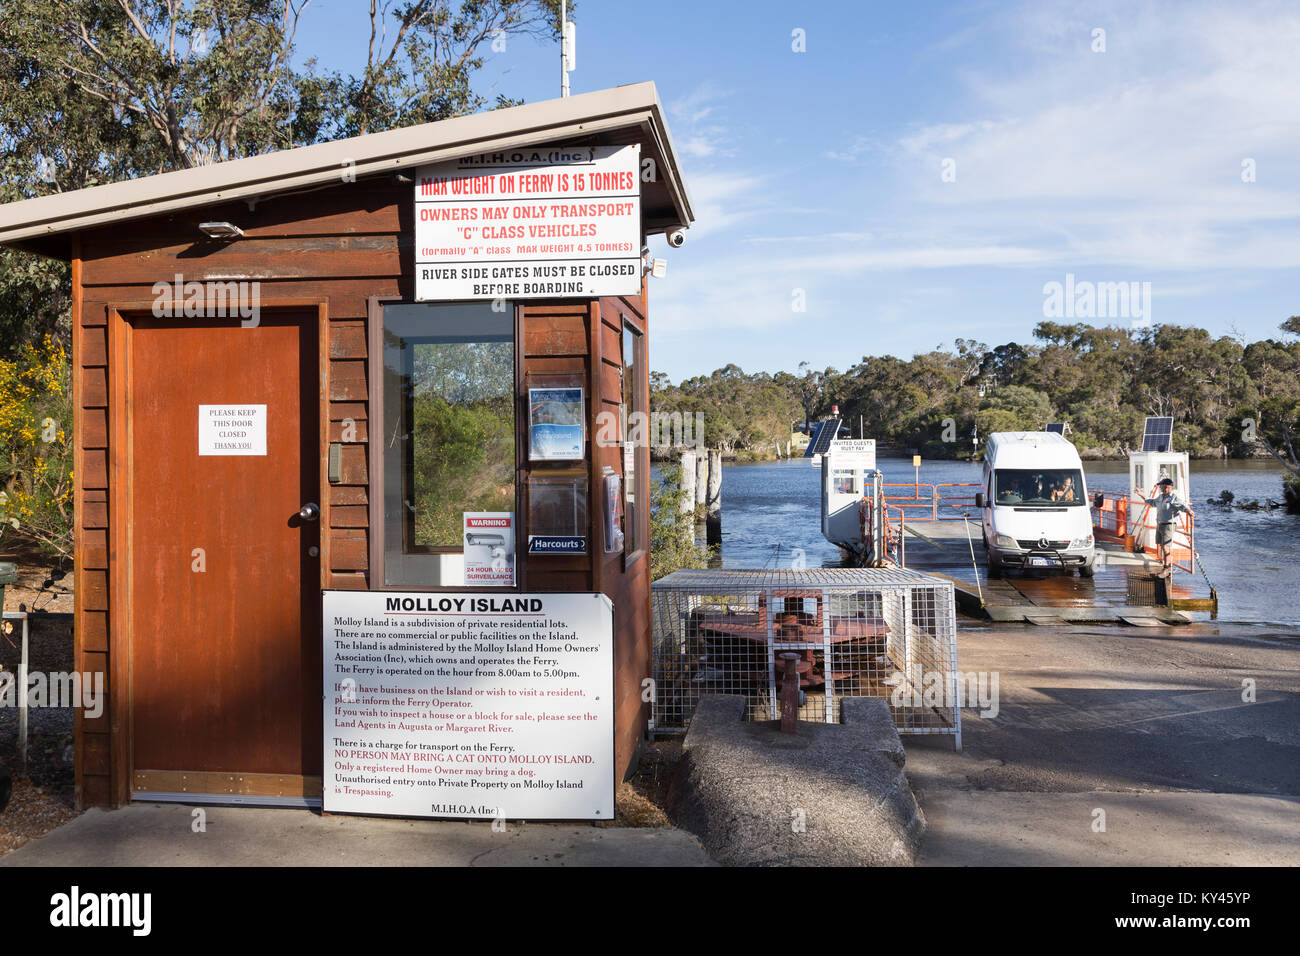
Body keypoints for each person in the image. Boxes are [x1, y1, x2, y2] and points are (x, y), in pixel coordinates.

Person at [1136, 477, 1194, 578]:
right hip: (1160, 524)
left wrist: (1189, 511)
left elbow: (1182, 506)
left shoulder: (1173, 498)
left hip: (1169, 525)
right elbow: (1151, 502)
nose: (1160, 488)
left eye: (1161, 486)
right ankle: (1165, 565)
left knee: (1166, 548)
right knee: (1162, 546)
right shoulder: (1161, 497)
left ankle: (1166, 569)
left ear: (1167, 487)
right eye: (1160, 486)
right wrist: (1141, 494)